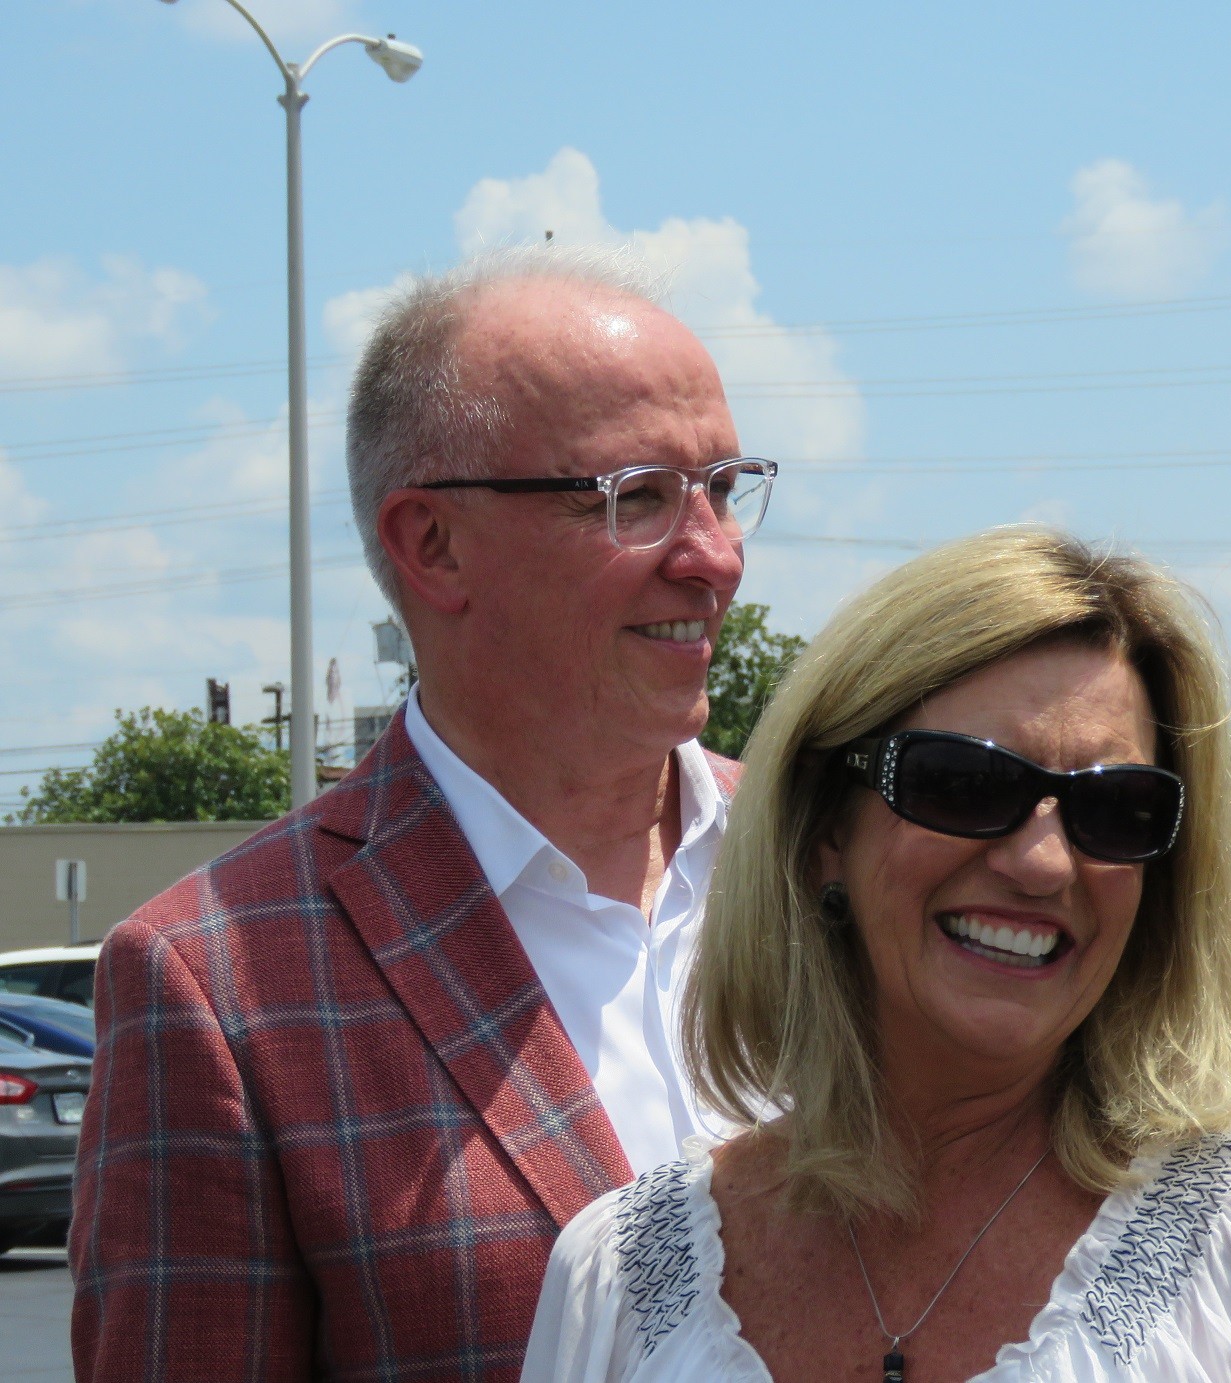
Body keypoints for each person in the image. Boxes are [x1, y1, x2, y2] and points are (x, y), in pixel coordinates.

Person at [69, 246, 776, 1381]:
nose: (715, 557)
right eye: (637, 497)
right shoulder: (219, 984)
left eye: (724, 488)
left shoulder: (840, 867)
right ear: (431, 545)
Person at [522, 528, 1231, 1382]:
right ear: (822, 833)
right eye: (964, 783)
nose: (1045, 862)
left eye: (1115, 809)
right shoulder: (622, 1284)